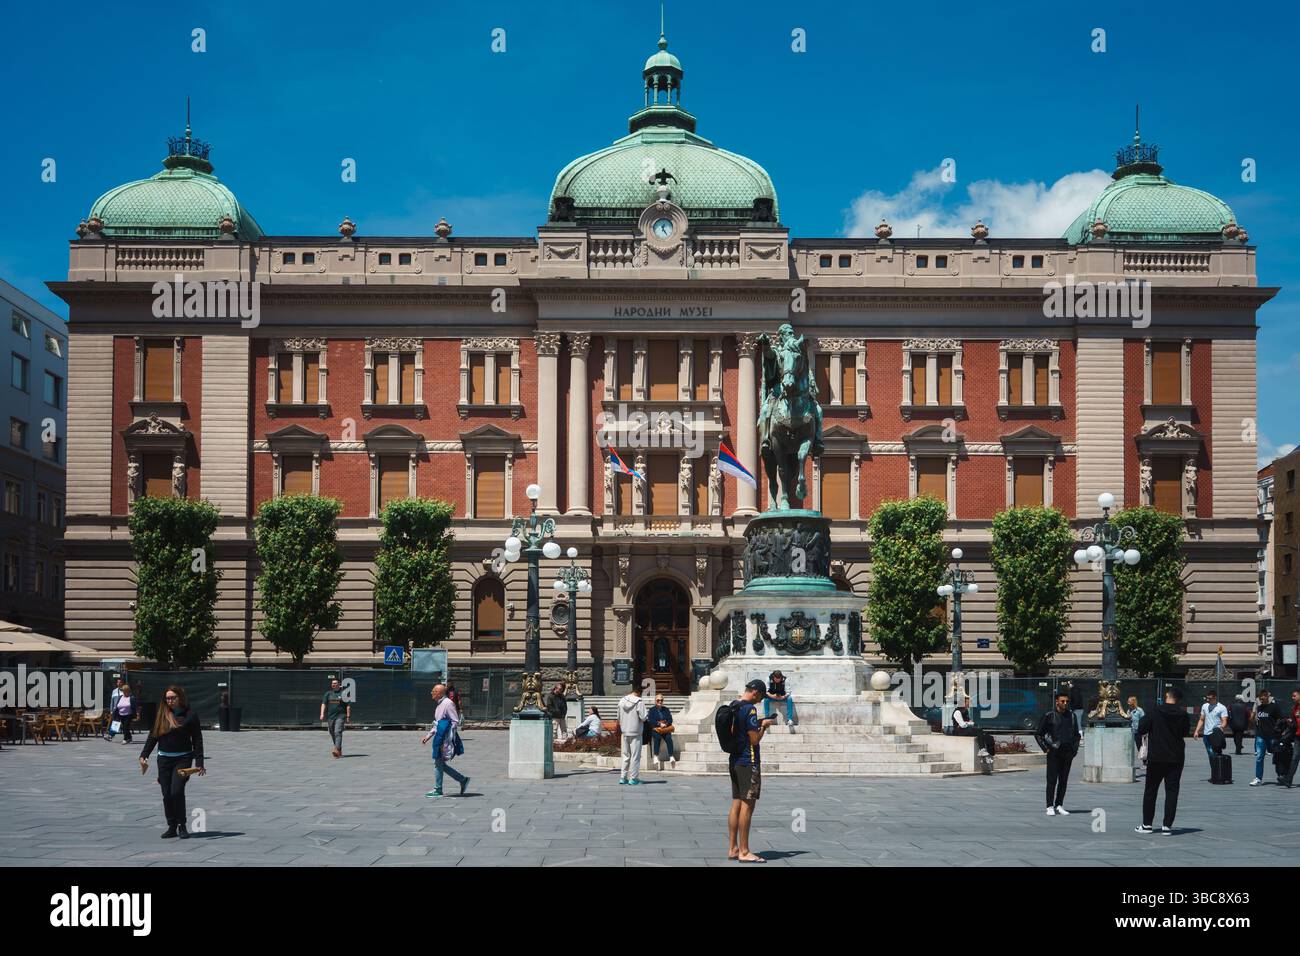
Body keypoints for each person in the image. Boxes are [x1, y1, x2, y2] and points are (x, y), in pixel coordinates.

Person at [138, 685, 206, 840]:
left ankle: (182, 825)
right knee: (166, 794)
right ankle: (171, 826)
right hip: (164, 759)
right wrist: (144, 754)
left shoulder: (190, 715)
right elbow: (153, 736)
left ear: (180, 697)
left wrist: (199, 761)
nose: (170, 700)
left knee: (176, 791)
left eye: (173, 697)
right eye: (168, 698)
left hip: (183, 759)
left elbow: (197, 739)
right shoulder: (162, 714)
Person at [728, 679, 778, 862]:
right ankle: (744, 851)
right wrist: (763, 726)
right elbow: (754, 740)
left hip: (734, 760)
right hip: (748, 761)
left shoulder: (733, 705)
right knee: (747, 806)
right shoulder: (749, 709)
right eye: (760, 697)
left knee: (736, 804)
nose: (759, 701)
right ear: (755, 692)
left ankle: (733, 848)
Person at [1135, 686, 1190, 834]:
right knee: (1172, 791)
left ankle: (1147, 825)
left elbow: (1141, 728)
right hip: (1176, 757)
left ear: (1167, 695)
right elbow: (1185, 732)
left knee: (1151, 790)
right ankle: (1167, 826)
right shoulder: (1183, 714)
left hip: (1157, 757)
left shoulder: (1156, 711)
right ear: (1178, 699)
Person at [421, 683, 469, 798]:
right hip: (439, 737)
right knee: (440, 763)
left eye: (434, 691)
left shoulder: (448, 704)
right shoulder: (439, 705)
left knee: (438, 763)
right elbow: (437, 724)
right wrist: (428, 736)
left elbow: (454, 721)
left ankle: (438, 789)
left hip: (444, 738)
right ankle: (462, 779)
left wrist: (446, 741)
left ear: (439, 693)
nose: (432, 693)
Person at [1037, 691, 1081, 816]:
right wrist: (1046, 749)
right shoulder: (1049, 715)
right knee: (1052, 780)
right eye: (1062, 701)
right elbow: (1039, 734)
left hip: (1067, 752)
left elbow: (1077, 735)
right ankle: (1049, 806)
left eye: (1067, 701)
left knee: (1063, 780)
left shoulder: (1072, 716)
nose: (1065, 703)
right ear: (1057, 701)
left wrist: (1074, 750)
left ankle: (1059, 805)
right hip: (1054, 752)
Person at [1250, 689, 1283, 787]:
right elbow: (1255, 720)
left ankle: (1281, 775)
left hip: (1272, 735)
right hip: (1261, 736)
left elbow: (1280, 719)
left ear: (1267, 697)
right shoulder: (1259, 708)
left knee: (1277, 756)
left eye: (1263, 697)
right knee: (1259, 757)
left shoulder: (1274, 707)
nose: (1261, 699)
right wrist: (1252, 716)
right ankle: (1258, 778)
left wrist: (1279, 731)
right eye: (1260, 697)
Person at [618, 685, 648, 785]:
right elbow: (643, 717)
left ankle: (623, 777)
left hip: (625, 731)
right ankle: (633, 778)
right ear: (639, 693)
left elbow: (618, 717)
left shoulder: (622, 701)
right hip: (635, 731)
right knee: (635, 756)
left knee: (625, 755)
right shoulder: (639, 701)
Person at [1192, 690, 1229, 771]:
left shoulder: (1222, 707)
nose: (1207, 700)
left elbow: (1224, 721)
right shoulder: (1205, 706)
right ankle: (1214, 773)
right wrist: (1196, 731)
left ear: (1215, 697)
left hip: (1216, 735)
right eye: (1207, 698)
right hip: (1206, 735)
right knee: (1210, 754)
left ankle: (1219, 773)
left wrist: (1219, 729)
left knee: (1217, 754)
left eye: (1209, 698)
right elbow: (1201, 719)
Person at [319, 677, 350, 759]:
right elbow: (323, 704)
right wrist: (322, 714)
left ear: (339, 685)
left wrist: (348, 716)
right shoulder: (328, 694)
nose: (333, 685)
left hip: (341, 716)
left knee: (337, 731)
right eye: (333, 683)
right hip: (330, 717)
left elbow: (348, 706)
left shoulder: (343, 693)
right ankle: (338, 748)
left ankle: (336, 749)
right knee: (332, 732)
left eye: (335, 683)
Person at [647, 693, 676, 770]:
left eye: (661, 700)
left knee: (668, 738)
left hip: (665, 728)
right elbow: (650, 720)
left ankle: (671, 755)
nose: (660, 701)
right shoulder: (652, 710)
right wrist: (659, 724)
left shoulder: (666, 709)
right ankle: (656, 756)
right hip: (656, 728)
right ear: (655, 701)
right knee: (657, 738)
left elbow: (670, 719)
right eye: (658, 700)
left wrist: (666, 724)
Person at [1128, 696, 1146, 766]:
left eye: (1129, 701)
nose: (1128, 703)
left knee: (1140, 747)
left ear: (1133, 702)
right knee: (1130, 747)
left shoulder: (1139, 710)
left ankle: (1145, 762)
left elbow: (1144, 720)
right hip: (1131, 731)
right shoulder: (1129, 710)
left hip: (1138, 731)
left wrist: (1144, 731)